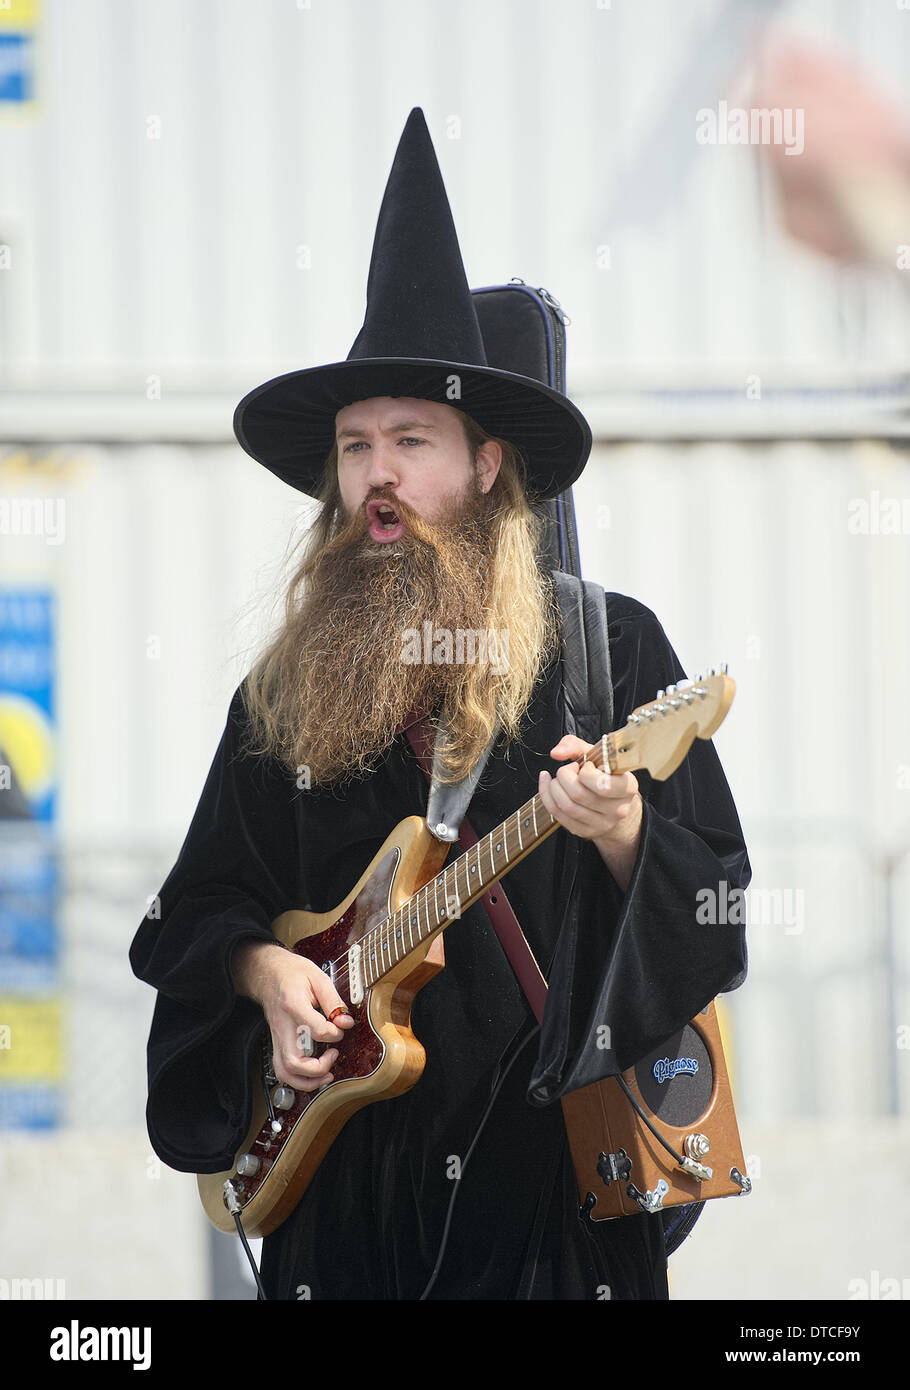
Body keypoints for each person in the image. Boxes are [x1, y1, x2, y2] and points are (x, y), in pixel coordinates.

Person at [130, 108, 750, 1301]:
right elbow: (195, 911)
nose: (377, 475)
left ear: (485, 464)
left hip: (546, 1224)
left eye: (411, 439)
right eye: (356, 447)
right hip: (340, 1221)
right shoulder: (282, 688)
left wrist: (622, 832)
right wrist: (263, 972)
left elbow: (714, 904)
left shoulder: (604, 651)